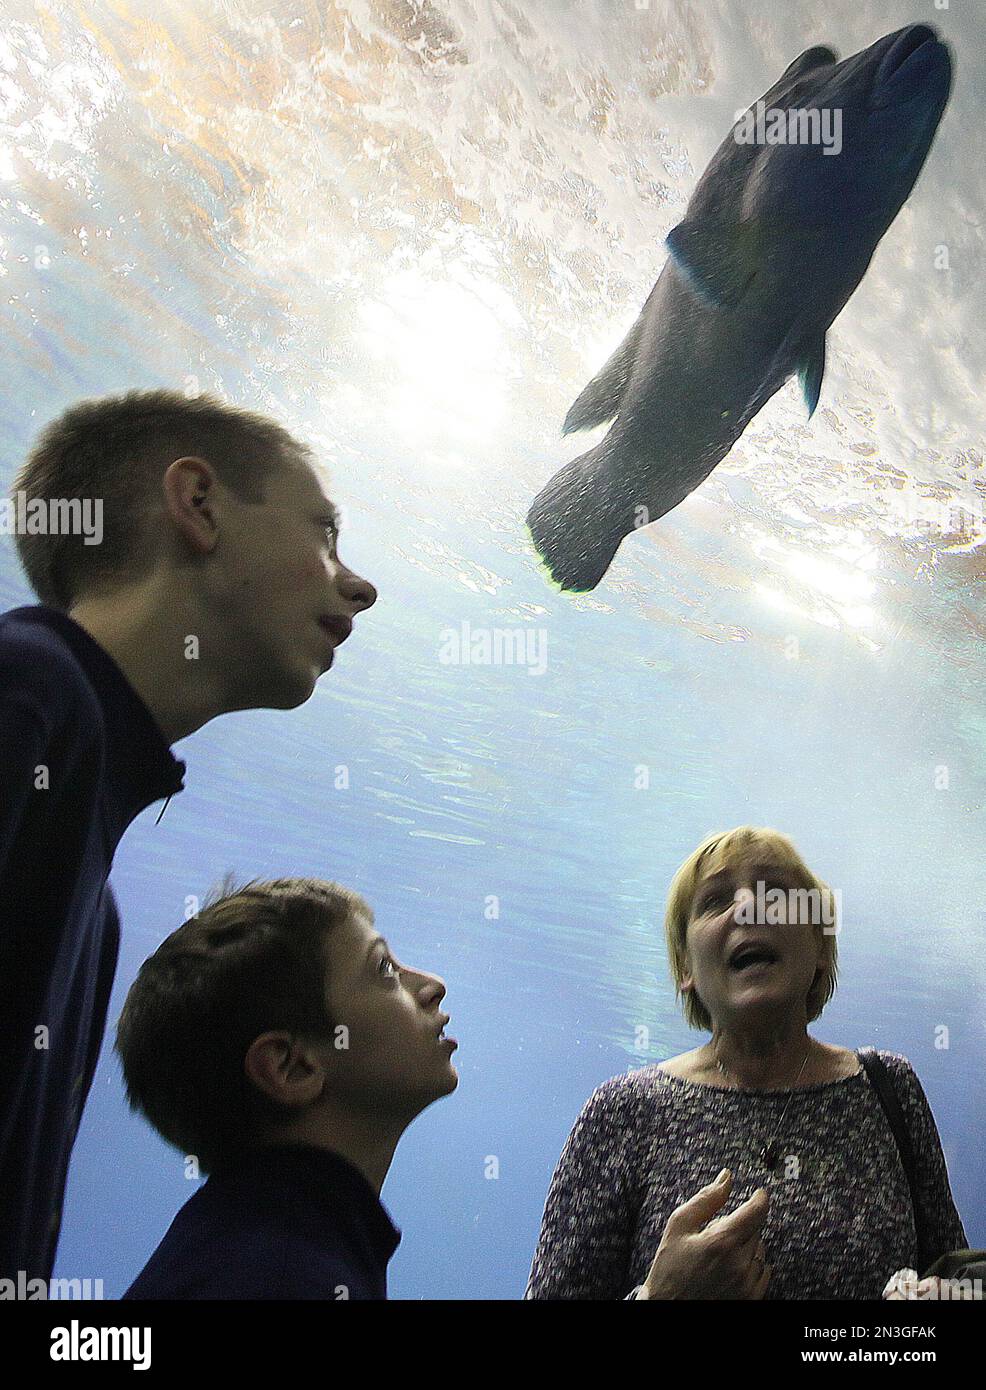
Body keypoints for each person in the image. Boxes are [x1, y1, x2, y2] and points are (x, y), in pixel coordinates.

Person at [0, 390, 376, 1284]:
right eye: (324, 534)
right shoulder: (28, 692)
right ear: (197, 503)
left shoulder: (102, 893)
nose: (358, 583)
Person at [526, 825, 966, 1299]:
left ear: (820, 945)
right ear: (685, 969)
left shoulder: (889, 1088)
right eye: (715, 901)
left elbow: (957, 1277)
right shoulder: (623, 1112)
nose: (747, 908)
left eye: (775, 895)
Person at [117, 877, 458, 1299]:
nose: (432, 985)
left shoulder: (241, 1245)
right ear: (291, 1066)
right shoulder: (282, 1278)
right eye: (384, 968)